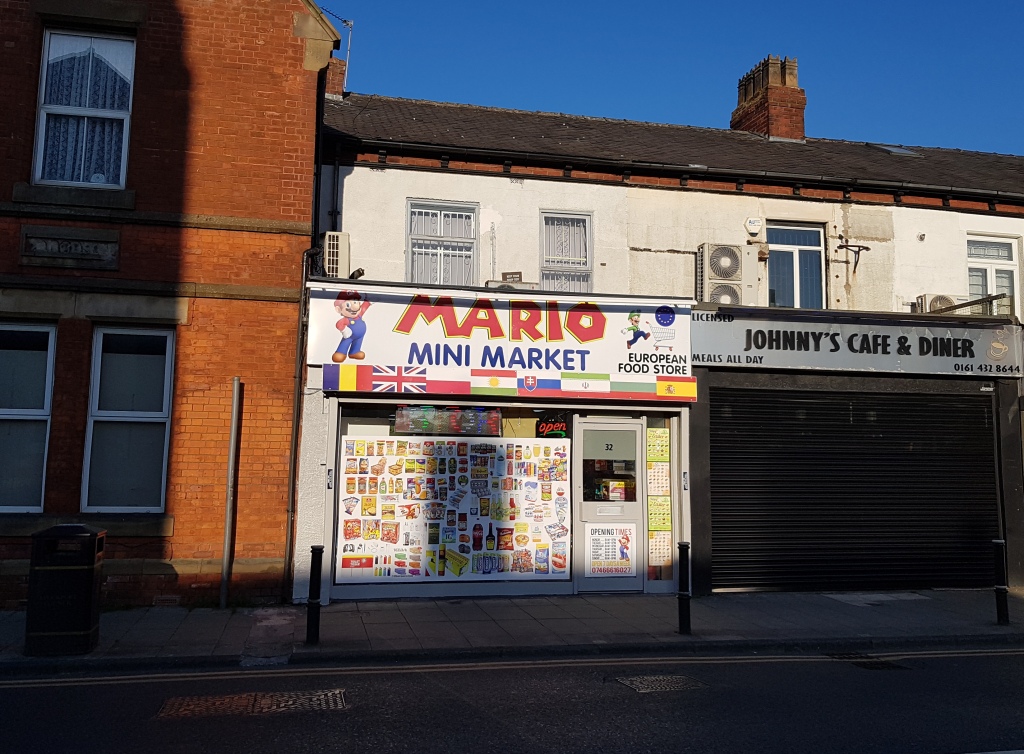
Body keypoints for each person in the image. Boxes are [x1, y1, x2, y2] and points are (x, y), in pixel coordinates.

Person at [332, 290, 371, 362]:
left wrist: (368, 301)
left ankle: (354, 352)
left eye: (356, 302)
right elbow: (339, 324)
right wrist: (344, 330)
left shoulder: (359, 314)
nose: (355, 307)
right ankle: (341, 352)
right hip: (350, 336)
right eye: (348, 305)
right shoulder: (346, 319)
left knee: (358, 343)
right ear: (338, 309)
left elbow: (365, 307)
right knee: (345, 342)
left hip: (360, 336)